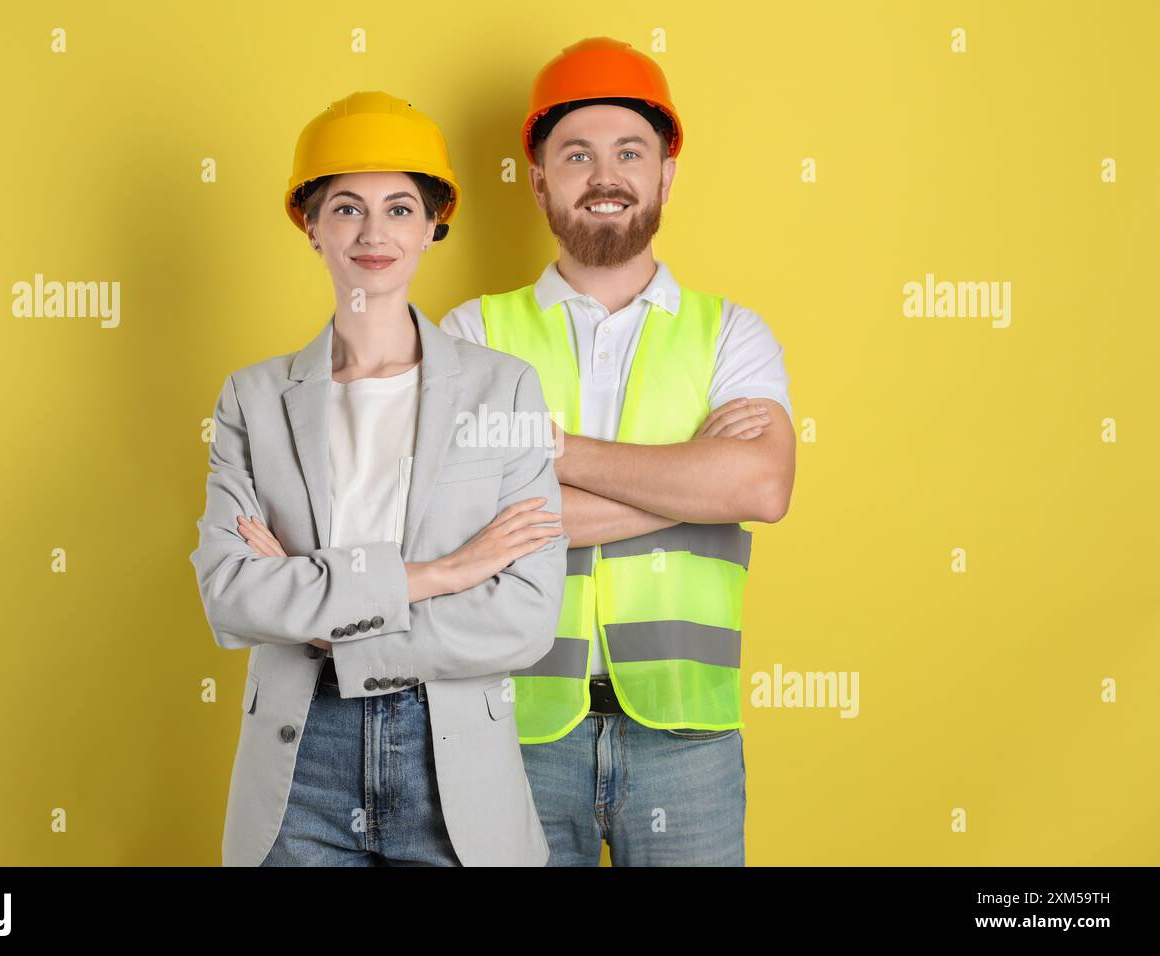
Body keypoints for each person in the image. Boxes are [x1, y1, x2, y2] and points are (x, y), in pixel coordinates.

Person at [439, 38, 797, 866]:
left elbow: (763, 486)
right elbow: (456, 521)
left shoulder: (731, 335)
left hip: (687, 734)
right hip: (510, 728)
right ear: (539, 182)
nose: (606, 177)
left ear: (666, 174)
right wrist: (687, 481)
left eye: (630, 153)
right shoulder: (472, 335)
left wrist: (548, 451)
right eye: (577, 155)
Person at [189, 91, 567, 866]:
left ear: (432, 226)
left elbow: (525, 616)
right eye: (346, 208)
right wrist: (442, 573)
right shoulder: (252, 400)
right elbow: (229, 592)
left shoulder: (508, 389)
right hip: (300, 764)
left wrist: (318, 616)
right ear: (311, 226)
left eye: (400, 208)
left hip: (454, 756)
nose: (373, 232)